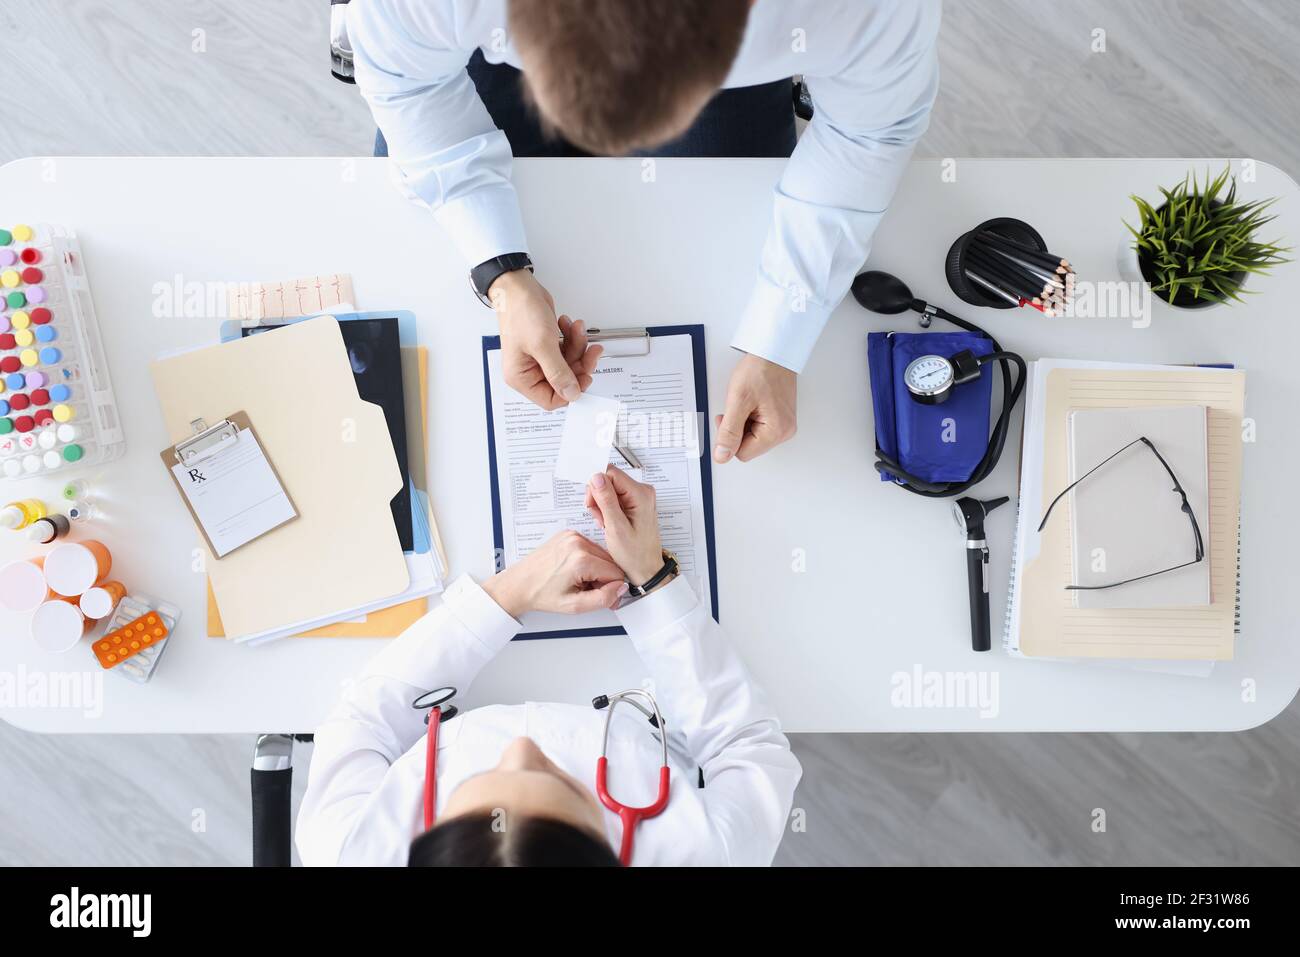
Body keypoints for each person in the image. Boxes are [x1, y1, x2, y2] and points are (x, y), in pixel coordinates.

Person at [346, 0, 941, 464]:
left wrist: (779, 341)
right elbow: (411, 84)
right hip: (491, 44)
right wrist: (498, 272)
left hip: (735, 75)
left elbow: (868, 136)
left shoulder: (863, 11)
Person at [296, 466, 801, 866]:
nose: (521, 748)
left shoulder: (344, 848)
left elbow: (363, 722)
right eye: (563, 783)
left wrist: (511, 592)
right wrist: (652, 581)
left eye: (478, 778)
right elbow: (746, 747)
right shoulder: (708, 853)